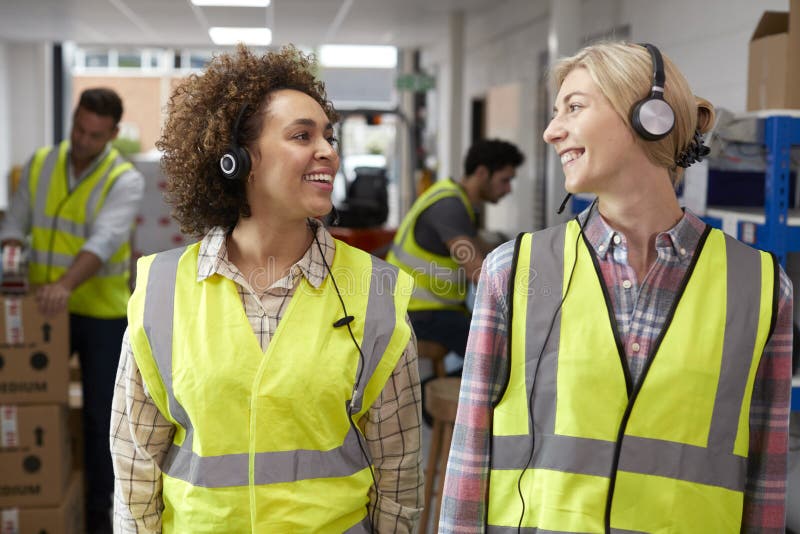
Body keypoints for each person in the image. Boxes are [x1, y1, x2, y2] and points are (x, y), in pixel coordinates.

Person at [439, 41, 793, 533]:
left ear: (651, 116)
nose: (551, 130)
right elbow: (468, 459)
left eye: (575, 107)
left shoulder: (761, 286)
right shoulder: (515, 271)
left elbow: (765, 480)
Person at [110, 44, 423, 533]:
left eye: (329, 136)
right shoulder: (162, 289)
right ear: (239, 160)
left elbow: (399, 475)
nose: (328, 151)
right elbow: (135, 468)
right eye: (302, 135)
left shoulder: (374, 291)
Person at [0, 87, 145, 534]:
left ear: (113, 134)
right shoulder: (40, 165)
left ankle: (100, 516)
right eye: (79, 129)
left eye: (95, 135)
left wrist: (64, 285)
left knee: (103, 418)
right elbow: (17, 220)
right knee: (30, 402)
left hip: (100, 315)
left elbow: (103, 242)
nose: (83, 141)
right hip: (46, 310)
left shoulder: (124, 180)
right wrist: (10, 254)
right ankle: (36, 487)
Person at [386, 139, 524, 360]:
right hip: (415, 313)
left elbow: (483, 250)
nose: (508, 189)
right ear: (481, 172)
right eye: (504, 180)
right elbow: (477, 271)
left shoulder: (454, 198)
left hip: (428, 309)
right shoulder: (450, 207)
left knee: (497, 340)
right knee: (502, 352)